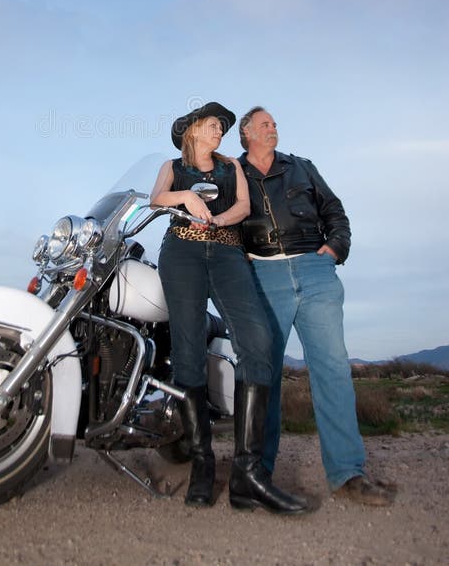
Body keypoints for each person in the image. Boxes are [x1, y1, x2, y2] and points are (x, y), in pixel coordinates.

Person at [151, 101, 307, 513]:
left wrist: (220, 222)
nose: (219, 130)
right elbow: (155, 200)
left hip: (226, 253)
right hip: (181, 252)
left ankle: (247, 475)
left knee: (257, 340)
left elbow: (242, 207)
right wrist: (184, 195)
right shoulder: (172, 166)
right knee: (187, 351)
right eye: (212, 124)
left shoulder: (230, 167)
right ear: (192, 130)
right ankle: (202, 463)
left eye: (223, 126)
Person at [237, 106, 396, 506]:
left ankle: (349, 473)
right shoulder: (231, 174)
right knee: (264, 377)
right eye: (265, 124)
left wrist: (334, 249)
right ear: (246, 133)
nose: (273, 128)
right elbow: (224, 225)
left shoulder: (302, 167)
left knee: (333, 370)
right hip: (264, 277)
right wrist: (240, 263)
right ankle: (259, 476)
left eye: (274, 123)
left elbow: (334, 211)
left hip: (316, 271)